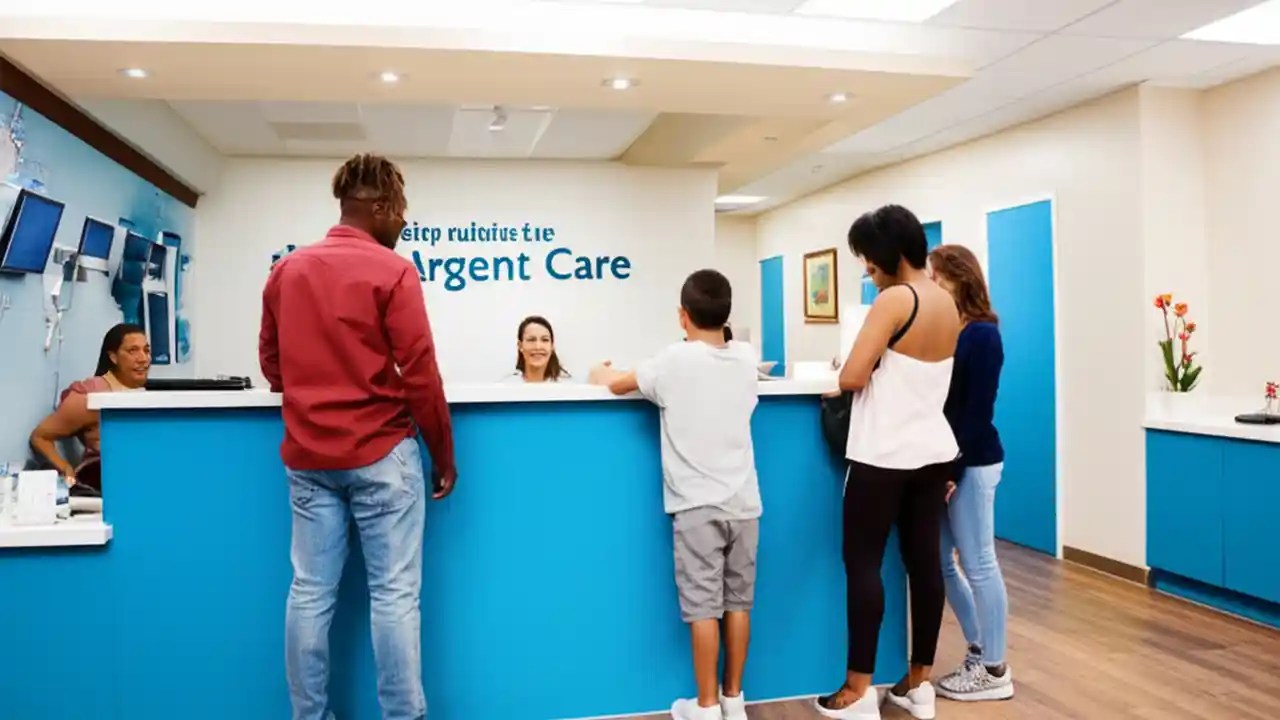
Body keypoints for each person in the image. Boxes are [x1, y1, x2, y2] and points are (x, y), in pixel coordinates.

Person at [259, 153, 458, 720]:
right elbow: (420, 373)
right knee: (394, 597)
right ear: (379, 207)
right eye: (399, 211)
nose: (403, 222)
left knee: (309, 592)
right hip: (381, 454)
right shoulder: (394, 271)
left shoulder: (287, 270)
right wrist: (443, 454)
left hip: (307, 457)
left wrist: (314, 393)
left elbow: (272, 364)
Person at [589, 269, 759, 720]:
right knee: (738, 603)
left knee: (704, 608)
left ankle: (704, 709)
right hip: (745, 504)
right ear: (726, 316)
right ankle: (733, 701)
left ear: (682, 317)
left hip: (697, 506)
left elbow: (617, 383)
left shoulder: (672, 361)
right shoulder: (745, 358)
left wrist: (600, 370)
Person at [816, 205, 960, 720]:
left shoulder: (895, 299)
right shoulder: (946, 301)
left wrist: (856, 362)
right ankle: (919, 684)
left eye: (868, 259)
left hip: (882, 455)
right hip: (931, 453)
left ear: (890, 253)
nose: (866, 269)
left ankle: (857, 691)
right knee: (923, 563)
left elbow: (853, 376)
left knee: (863, 563)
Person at [928, 244, 1012, 702]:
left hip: (972, 462)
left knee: (979, 563)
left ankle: (996, 668)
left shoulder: (982, 335)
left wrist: (952, 470)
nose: (933, 284)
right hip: (947, 461)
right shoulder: (951, 329)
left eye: (937, 276)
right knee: (941, 564)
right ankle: (979, 650)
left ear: (960, 277)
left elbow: (974, 411)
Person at [29, 323, 149, 492]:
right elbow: (40, 436)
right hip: (103, 483)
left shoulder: (145, 395)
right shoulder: (94, 397)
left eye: (146, 350)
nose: (143, 358)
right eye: (132, 351)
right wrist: (66, 469)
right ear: (113, 357)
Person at [503, 315, 572, 383]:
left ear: (552, 346)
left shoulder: (569, 388)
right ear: (520, 346)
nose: (538, 347)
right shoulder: (505, 387)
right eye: (531, 340)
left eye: (545, 340)